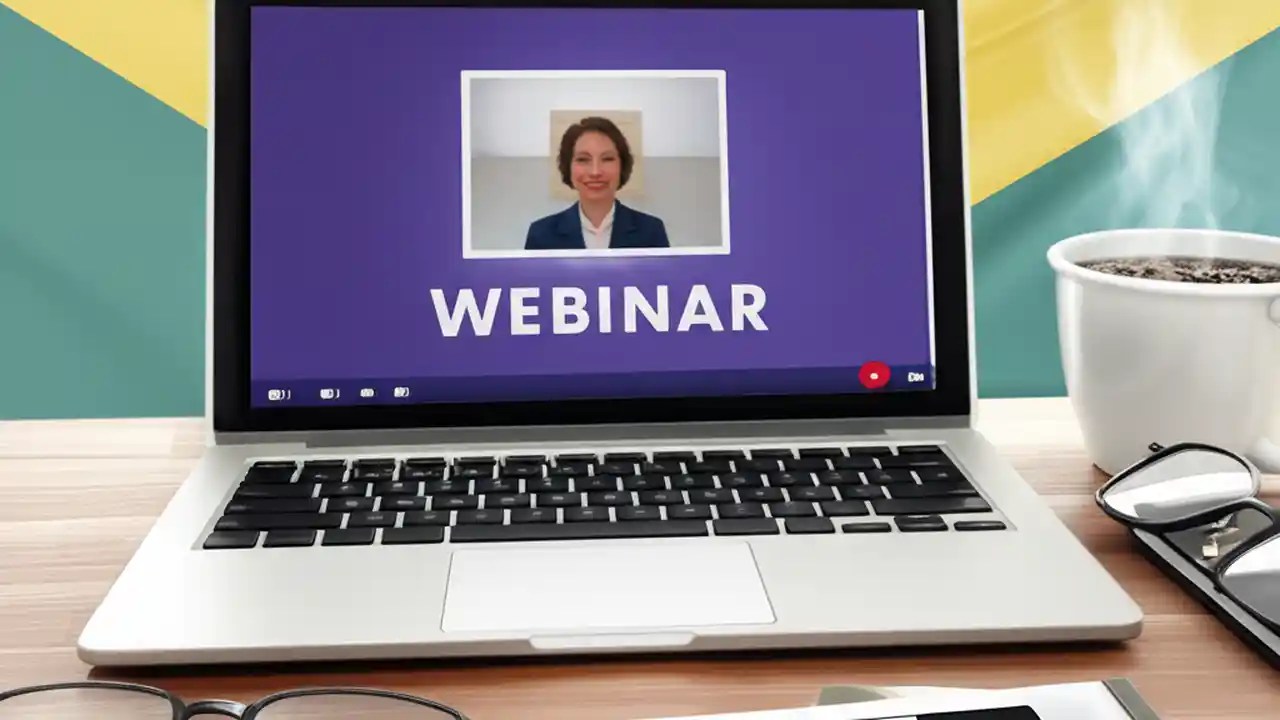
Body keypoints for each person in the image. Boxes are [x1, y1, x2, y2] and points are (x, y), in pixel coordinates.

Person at [525, 116, 670, 251]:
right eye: (583, 159)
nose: (595, 172)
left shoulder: (651, 231)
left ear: (622, 166)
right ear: (568, 167)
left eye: (607, 159)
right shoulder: (541, 234)